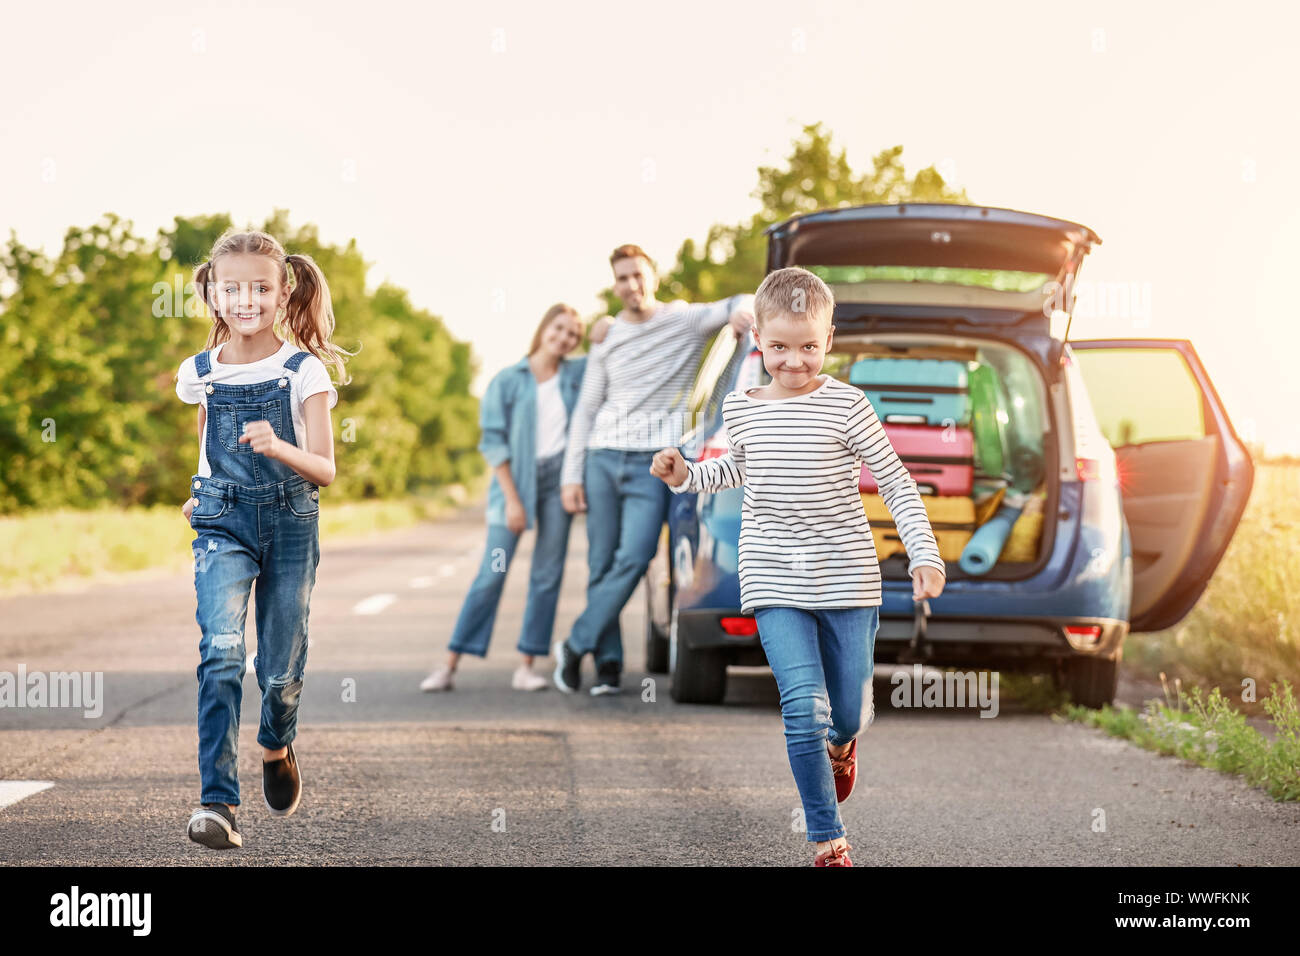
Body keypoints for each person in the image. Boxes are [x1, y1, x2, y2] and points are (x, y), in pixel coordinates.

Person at [649, 266, 946, 866]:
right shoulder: (743, 408)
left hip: (848, 581)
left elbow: (894, 480)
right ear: (758, 339)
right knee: (802, 704)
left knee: (849, 708)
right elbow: (734, 470)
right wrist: (685, 476)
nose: (793, 361)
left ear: (829, 340)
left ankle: (843, 745)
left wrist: (924, 552)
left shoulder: (849, 406)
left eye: (808, 347)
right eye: (779, 347)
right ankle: (827, 837)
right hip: (773, 577)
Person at [175, 231, 348, 850]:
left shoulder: (304, 371)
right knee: (220, 653)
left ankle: (276, 742)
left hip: (290, 520)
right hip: (221, 522)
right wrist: (198, 489)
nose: (246, 299)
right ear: (213, 295)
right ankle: (216, 803)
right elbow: (204, 444)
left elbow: (326, 468)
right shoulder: (199, 373)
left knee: (278, 672)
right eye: (233, 288)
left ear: (282, 294)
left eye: (260, 288)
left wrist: (279, 447)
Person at [554, 245, 756, 696]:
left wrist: (742, 313)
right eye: (622, 278)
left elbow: (739, 301)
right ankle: (607, 667)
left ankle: (574, 644)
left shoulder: (683, 320)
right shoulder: (607, 336)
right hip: (603, 455)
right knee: (601, 563)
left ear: (654, 276)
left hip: (653, 460)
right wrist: (572, 475)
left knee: (637, 555)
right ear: (614, 285)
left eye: (638, 275)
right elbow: (587, 407)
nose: (631, 285)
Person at [419, 304, 596, 692]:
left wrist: (606, 327)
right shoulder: (507, 380)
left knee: (547, 576)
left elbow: (605, 352)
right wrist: (514, 501)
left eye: (573, 334)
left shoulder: (576, 374)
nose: (564, 338)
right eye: (559, 328)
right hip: (512, 484)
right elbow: (493, 443)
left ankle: (527, 666)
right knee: (491, 576)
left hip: (557, 483)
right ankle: (449, 665)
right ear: (545, 326)